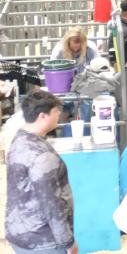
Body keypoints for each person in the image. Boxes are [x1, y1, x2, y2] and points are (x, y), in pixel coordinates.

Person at [5, 90, 76, 254]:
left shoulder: (19, 138)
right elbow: (51, 204)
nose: (59, 116)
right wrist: (67, 242)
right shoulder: (42, 155)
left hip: (19, 230)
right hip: (43, 240)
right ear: (43, 116)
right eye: (56, 112)